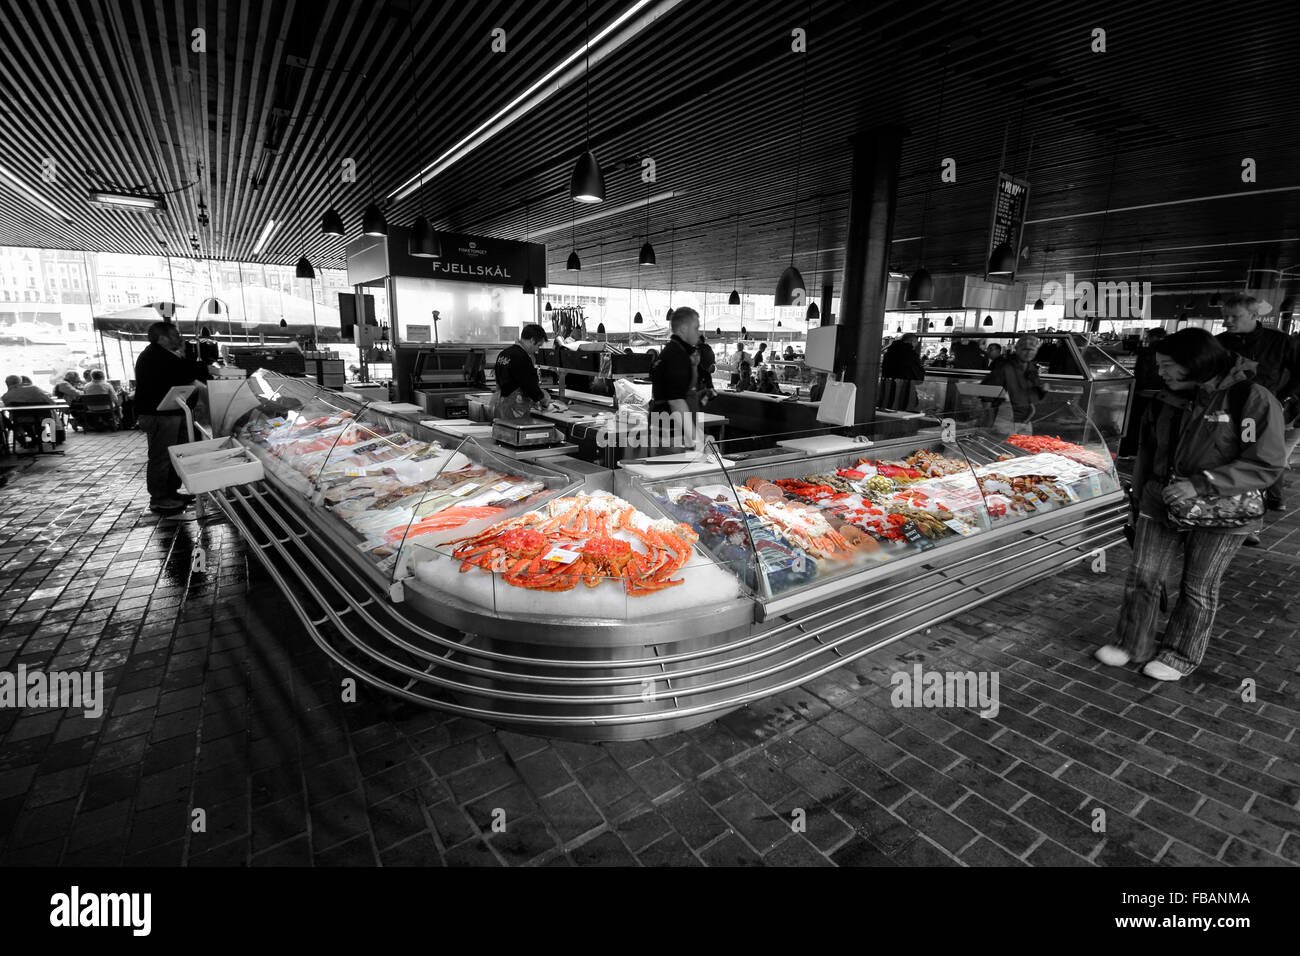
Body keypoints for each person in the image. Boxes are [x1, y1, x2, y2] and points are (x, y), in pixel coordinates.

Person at [1095, 328, 1285, 681]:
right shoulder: (1165, 399)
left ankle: (1180, 655)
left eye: (1168, 365)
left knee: (1198, 587)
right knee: (1143, 576)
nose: (1161, 373)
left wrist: (1201, 485)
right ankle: (1130, 643)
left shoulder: (1249, 399)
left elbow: (1266, 463)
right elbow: (1147, 454)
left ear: (1195, 362)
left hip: (1223, 511)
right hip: (1159, 502)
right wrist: (1137, 498)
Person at [1216, 293, 1300, 511]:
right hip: (1227, 411)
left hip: (1264, 412)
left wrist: (1285, 400)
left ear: (1253, 315)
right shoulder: (1219, 343)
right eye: (1225, 316)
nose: (1227, 322)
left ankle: (1263, 505)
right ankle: (1241, 510)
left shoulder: (1280, 341)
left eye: (1234, 316)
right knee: (1231, 456)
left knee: (1259, 456)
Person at [135, 321, 210, 514]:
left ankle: (171, 492)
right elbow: (191, 373)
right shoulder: (156, 356)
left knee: (174, 454)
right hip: (160, 415)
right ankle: (159, 498)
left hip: (171, 412)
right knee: (161, 456)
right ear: (162, 338)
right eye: (175, 335)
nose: (180, 338)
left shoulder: (161, 355)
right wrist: (186, 353)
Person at [649, 308, 701, 450]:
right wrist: (696, 439)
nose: (698, 332)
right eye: (696, 328)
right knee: (674, 470)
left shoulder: (673, 351)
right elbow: (676, 401)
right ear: (684, 329)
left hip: (664, 425)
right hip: (671, 430)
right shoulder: (676, 355)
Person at [982, 334, 1047, 431]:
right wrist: (989, 424)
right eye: (1025, 349)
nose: (1028, 353)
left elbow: (1034, 395)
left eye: (1032, 349)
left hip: (1025, 421)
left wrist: (1043, 390)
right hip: (1006, 423)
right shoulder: (1004, 367)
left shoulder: (1031, 367)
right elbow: (986, 396)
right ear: (1017, 348)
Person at [1119, 327, 1168, 457]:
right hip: (1162, 394)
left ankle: (1128, 450)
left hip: (1143, 393)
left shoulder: (1148, 352)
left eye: (1148, 337)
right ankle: (1142, 452)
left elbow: (1141, 373)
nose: (1146, 339)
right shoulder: (1169, 350)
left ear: (1153, 337)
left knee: (1135, 422)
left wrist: (1135, 388)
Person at [493, 323, 552, 421]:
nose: (537, 350)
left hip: (501, 406)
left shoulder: (503, 354)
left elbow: (498, 382)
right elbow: (529, 386)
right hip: (515, 411)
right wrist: (543, 400)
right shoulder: (522, 357)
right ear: (532, 340)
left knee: (503, 433)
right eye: (538, 345)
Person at [880, 332, 925, 410]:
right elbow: (919, 378)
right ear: (912, 342)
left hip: (887, 390)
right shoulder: (910, 354)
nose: (914, 347)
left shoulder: (889, 353)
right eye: (915, 344)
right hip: (905, 391)